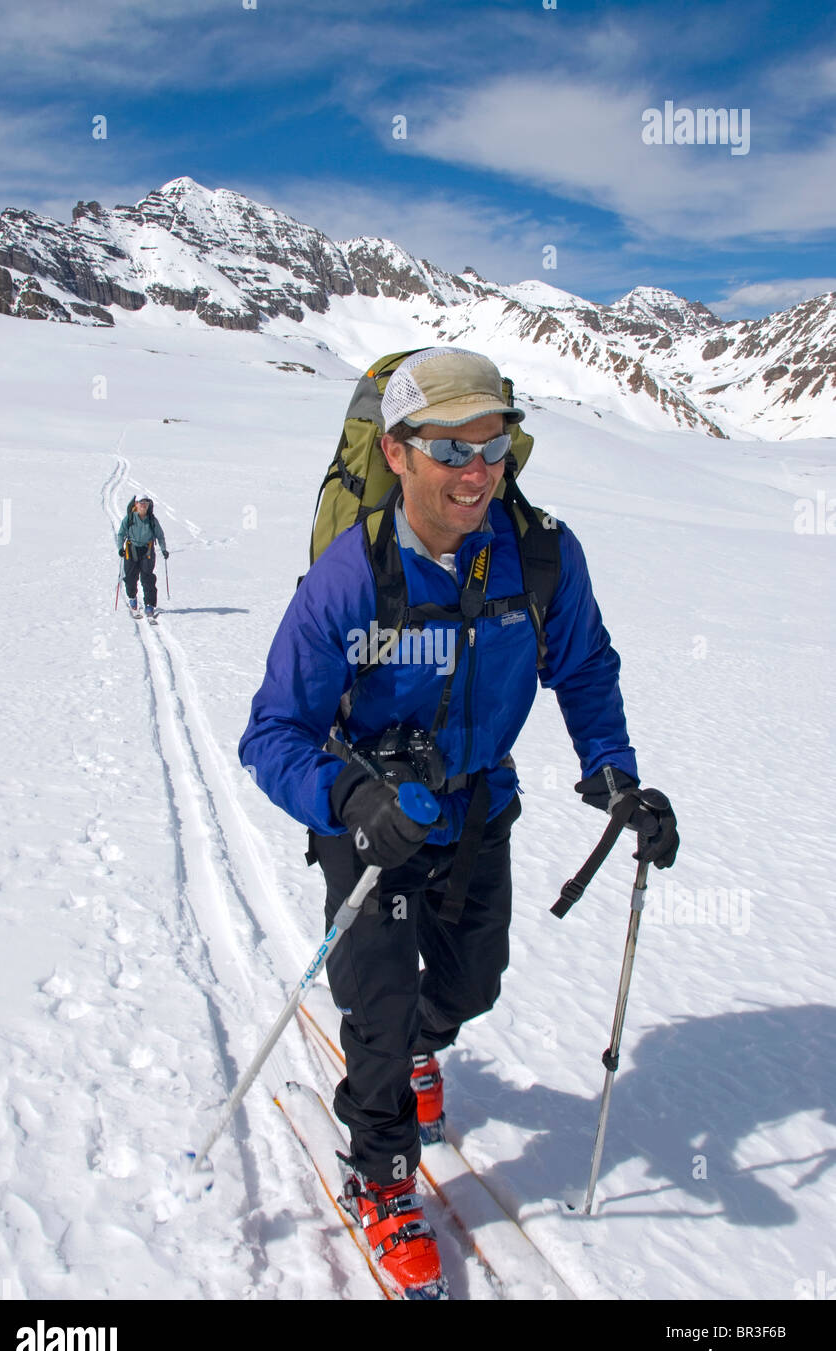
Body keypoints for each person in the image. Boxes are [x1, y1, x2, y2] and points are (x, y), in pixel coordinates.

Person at [238, 346, 678, 1297]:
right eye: (451, 447)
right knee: (381, 1000)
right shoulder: (347, 583)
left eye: (495, 444)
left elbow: (586, 668)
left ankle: (427, 1045)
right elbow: (272, 732)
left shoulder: (542, 556)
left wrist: (615, 776)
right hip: (368, 826)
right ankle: (382, 1168)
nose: (478, 471)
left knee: (473, 985)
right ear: (397, 453)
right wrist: (350, 801)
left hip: (480, 808)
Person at [117, 495, 168, 619]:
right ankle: (132, 599)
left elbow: (160, 535)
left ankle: (149, 605)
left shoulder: (152, 520)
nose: (143, 505)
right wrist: (120, 548)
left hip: (147, 551)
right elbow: (121, 534)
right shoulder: (129, 518)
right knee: (130, 577)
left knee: (147, 577)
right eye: (141, 503)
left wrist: (164, 549)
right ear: (136, 504)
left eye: (146, 503)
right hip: (131, 549)